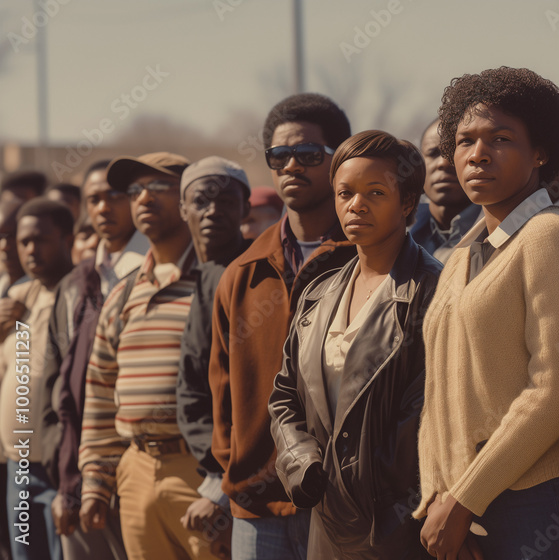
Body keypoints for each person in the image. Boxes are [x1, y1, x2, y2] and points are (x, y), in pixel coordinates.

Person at [415, 66, 559, 560]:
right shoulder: (464, 252)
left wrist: (463, 500)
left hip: (533, 503)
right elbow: (437, 393)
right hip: (466, 505)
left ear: (540, 151)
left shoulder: (552, 236)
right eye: (465, 141)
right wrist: (439, 495)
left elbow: (554, 390)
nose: (478, 154)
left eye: (500, 139)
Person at [270, 130, 440, 559]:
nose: (356, 205)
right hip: (325, 513)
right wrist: (301, 461)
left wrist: (367, 488)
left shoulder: (434, 289)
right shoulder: (318, 291)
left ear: (407, 202)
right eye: (345, 193)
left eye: (375, 192)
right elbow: (285, 395)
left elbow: (428, 410)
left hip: (399, 522)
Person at [209, 93, 355, 560]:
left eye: (308, 153)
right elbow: (221, 387)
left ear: (338, 159)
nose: (292, 165)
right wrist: (236, 467)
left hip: (345, 502)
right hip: (257, 505)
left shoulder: (371, 258)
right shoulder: (242, 272)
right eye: (279, 155)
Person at [77, 152, 216, 560]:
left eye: (159, 187)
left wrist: (221, 483)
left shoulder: (218, 280)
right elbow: (101, 393)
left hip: (201, 472)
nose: (144, 198)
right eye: (135, 190)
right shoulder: (123, 294)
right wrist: (97, 482)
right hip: (135, 471)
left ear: (189, 200)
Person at [46, 159, 139, 560]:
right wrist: (67, 480)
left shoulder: (156, 272)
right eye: (93, 199)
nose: (103, 207)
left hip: (139, 466)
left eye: (114, 196)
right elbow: (61, 388)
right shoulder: (75, 282)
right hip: (79, 473)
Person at [175, 157, 254, 559]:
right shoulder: (200, 274)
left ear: (246, 208)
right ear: (183, 209)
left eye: (225, 201)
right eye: (201, 201)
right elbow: (192, 383)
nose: (213, 211)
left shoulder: (257, 272)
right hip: (206, 473)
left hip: (243, 485)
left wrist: (221, 484)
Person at [0, 199, 74, 560]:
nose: (31, 249)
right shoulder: (17, 299)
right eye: (24, 241)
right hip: (19, 466)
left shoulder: (80, 295)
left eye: (41, 239)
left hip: (60, 467)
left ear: (67, 239)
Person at [410, 119, 481, 263]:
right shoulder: (398, 236)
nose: (443, 162)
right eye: (433, 153)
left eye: (454, 151)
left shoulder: (499, 231)